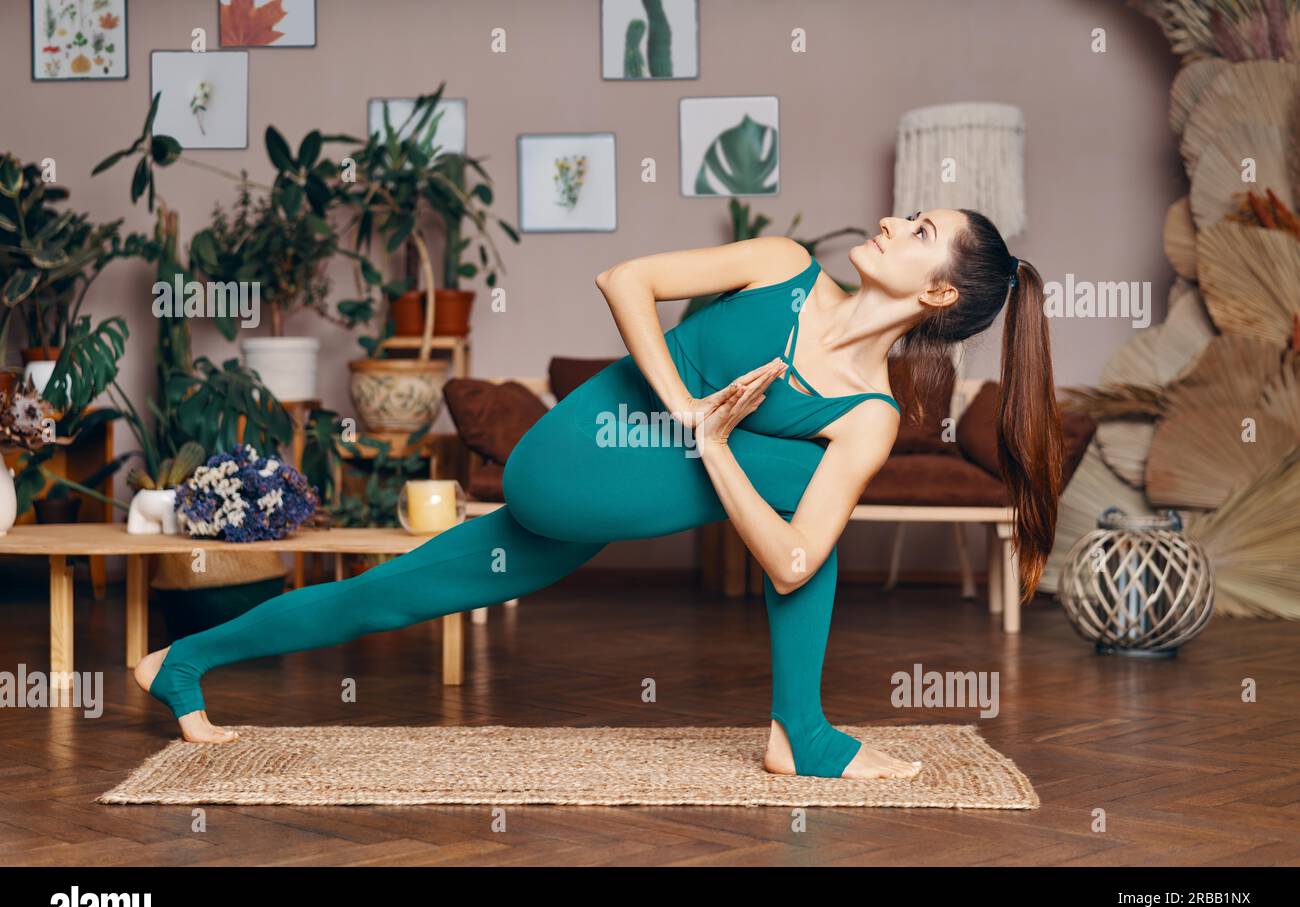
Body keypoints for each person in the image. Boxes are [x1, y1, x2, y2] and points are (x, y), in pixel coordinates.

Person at [135, 208, 1064, 781]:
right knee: (805, 496)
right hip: (572, 456)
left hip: (607, 504)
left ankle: (179, 664)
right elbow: (626, 280)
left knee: (389, 593)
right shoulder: (782, 265)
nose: (896, 224)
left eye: (922, 232)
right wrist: (689, 411)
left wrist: (712, 442)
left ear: (941, 295)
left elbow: (790, 562)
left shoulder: (868, 414)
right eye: (910, 214)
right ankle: (803, 735)